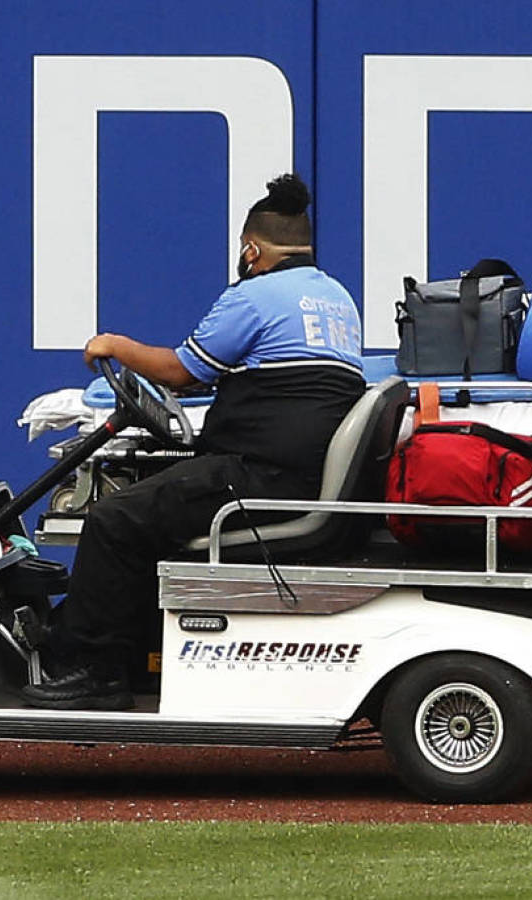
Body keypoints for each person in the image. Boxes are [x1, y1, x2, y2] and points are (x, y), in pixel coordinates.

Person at [22, 174, 366, 710]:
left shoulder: (254, 296)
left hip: (263, 477)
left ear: (251, 249)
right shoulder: (336, 296)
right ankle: (120, 647)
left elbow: (181, 372)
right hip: (302, 471)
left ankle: (91, 671)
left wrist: (113, 344)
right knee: (152, 508)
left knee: (114, 519)